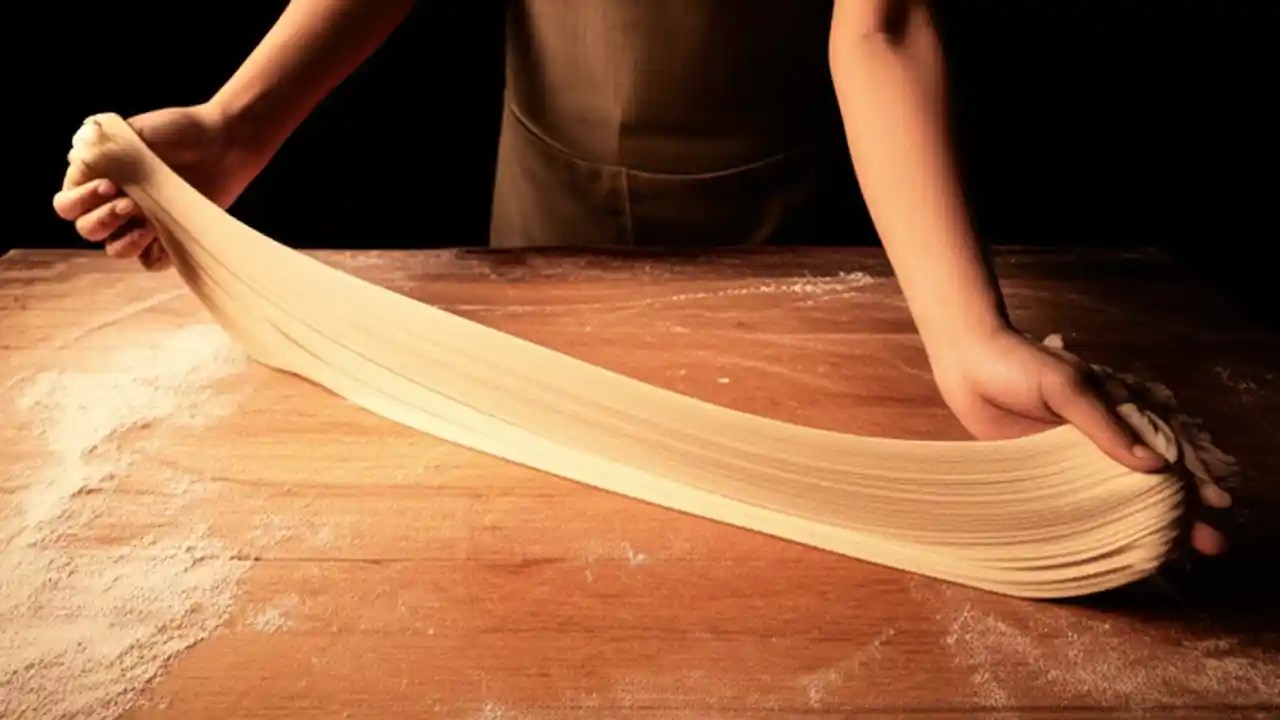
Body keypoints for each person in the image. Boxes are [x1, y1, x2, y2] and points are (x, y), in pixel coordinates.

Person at [52, 0, 1225, 554]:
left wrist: (965, 336)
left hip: (808, 232)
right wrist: (241, 121)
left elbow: (880, 23)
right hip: (546, 225)